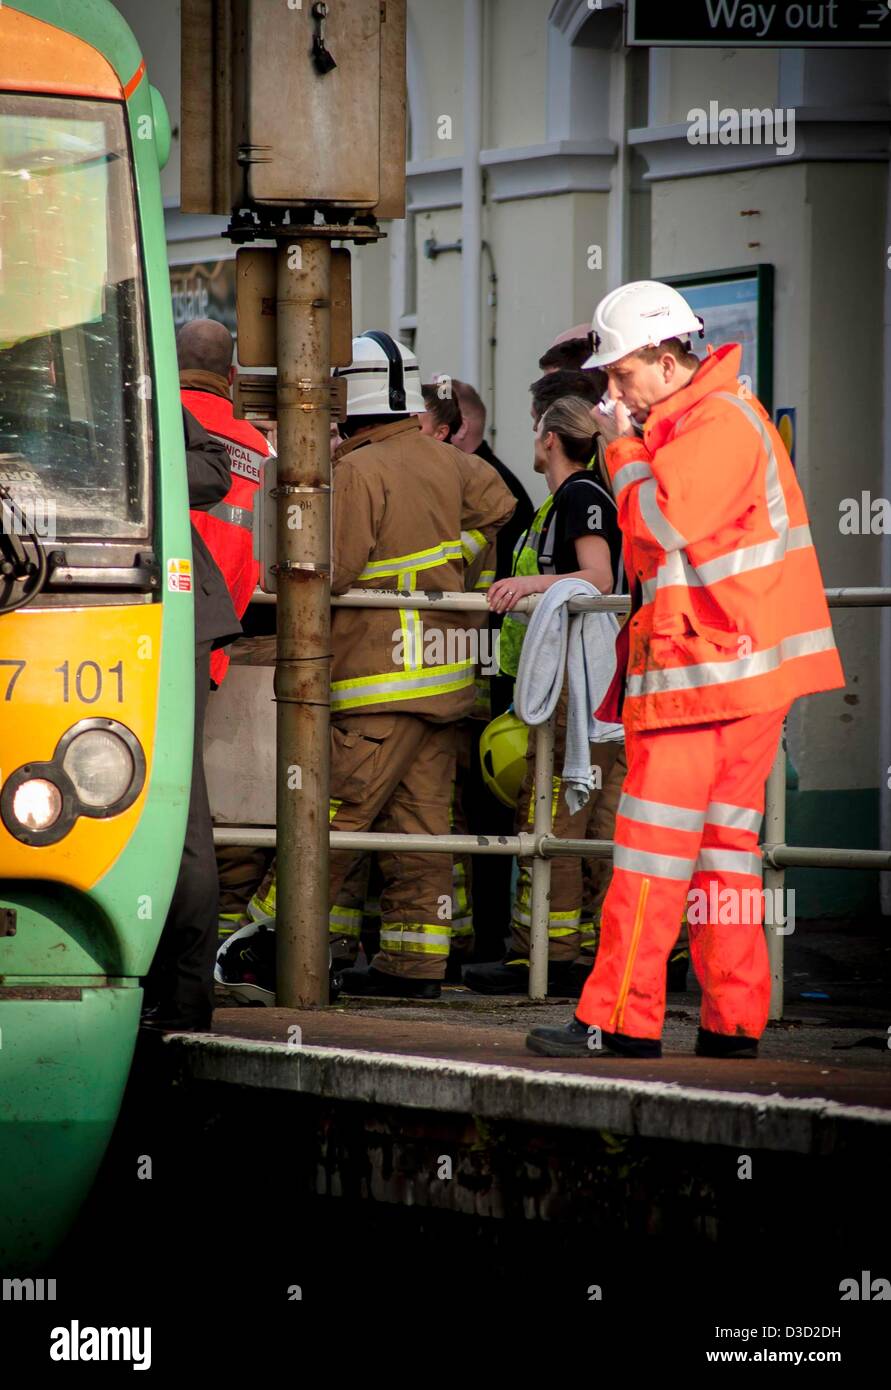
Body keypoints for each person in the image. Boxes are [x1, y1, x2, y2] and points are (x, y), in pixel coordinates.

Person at [527, 280, 845, 1061]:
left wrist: (623, 446)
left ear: (666, 361)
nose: (612, 391)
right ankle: (730, 1024)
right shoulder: (715, 416)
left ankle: (617, 1021)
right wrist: (637, 434)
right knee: (722, 858)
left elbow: (658, 523)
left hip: (702, 678)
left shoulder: (713, 423)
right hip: (730, 677)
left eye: (621, 374)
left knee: (649, 855)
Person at [220, 332, 516, 1000]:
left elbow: (334, 571)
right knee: (421, 829)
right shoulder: (448, 460)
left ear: (342, 399)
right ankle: (412, 969)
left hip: (376, 680)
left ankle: (266, 948)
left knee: (332, 818)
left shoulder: (355, 472)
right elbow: (499, 508)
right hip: (444, 679)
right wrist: (455, 561)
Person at [463, 396, 627, 996]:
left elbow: (599, 578)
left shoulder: (581, 496)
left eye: (536, 431)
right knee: (579, 821)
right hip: (577, 684)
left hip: (576, 687)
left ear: (552, 439)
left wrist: (527, 584)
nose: (532, 440)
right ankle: (572, 952)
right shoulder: (570, 499)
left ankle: (545, 959)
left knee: (554, 818)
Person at [141, 408, 241, 1031]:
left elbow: (213, 471)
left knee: (178, 806)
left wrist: (121, 479)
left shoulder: (121, 364)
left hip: (163, 610)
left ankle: (181, 998)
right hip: (139, 605)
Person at [176, 317, 271, 686]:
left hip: (148, 620)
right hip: (213, 633)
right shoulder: (261, 449)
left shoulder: (155, 421)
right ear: (230, 376)